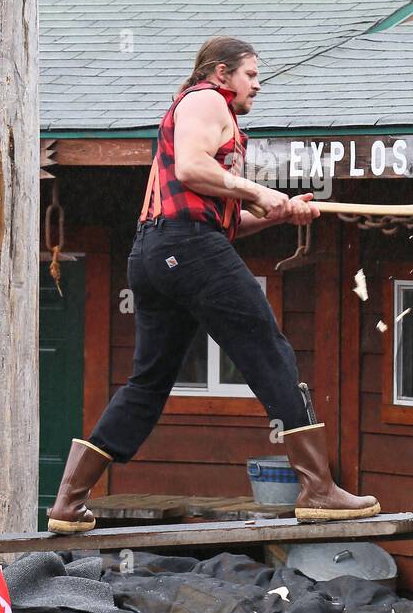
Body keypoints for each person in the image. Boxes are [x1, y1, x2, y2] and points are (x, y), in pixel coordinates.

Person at [47, 35, 380, 532]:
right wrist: (261, 190)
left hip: (160, 252)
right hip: (187, 249)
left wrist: (278, 213)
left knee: (148, 382)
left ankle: (68, 503)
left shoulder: (204, 112)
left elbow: (220, 220)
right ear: (221, 73)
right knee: (270, 350)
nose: (258, 85)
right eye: (252, 74)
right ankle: (317, 487)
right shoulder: (206, 100)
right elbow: (192, 167)